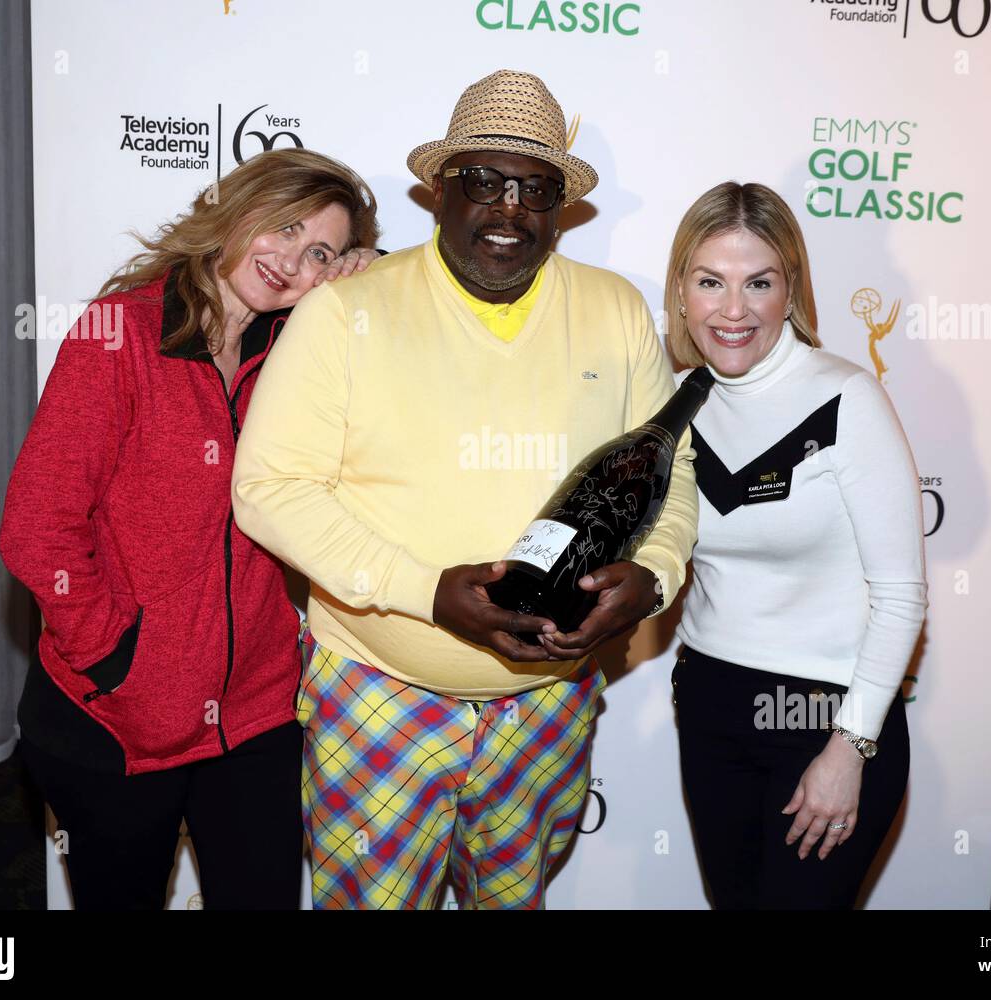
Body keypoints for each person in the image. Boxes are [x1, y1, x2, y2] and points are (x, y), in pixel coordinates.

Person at [231, 69, 698, 909]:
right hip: (379, 699)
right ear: (440, 190)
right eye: (484, 181)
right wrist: (423, 594)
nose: (510, 209)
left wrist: (656, 575)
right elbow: (269, 488)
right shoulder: (345, 314)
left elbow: (679, 470)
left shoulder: (616, 309)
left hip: (547, 711)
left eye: (535, 188)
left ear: (561, 205)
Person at [0, 148, 381, 909]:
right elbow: (36, 528)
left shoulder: (295, 354)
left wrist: (372, 276)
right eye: (283, 225)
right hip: (116, 720)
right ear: (238, 210)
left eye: (319, 253)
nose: (288, 260)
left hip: (256, 711)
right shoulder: (122, 335)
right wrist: (117, 657)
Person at [666, 181, 927, 909]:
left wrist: (851, 748)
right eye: (710, 282)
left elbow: (901, 598)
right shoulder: (679, 401)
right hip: (713, 707)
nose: (734, 309)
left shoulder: (848, 399)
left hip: (824, 718)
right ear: (682, 290)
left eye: (760, 283)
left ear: (792, 290)